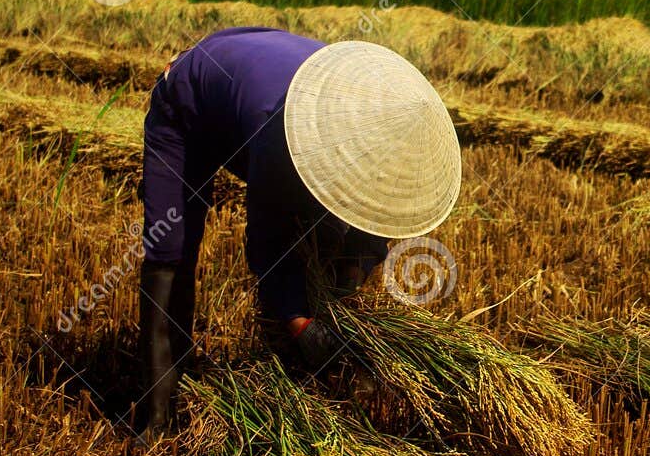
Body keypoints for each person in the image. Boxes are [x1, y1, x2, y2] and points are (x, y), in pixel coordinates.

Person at [135, 29, 462, 434]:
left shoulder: (368, 131)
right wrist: (300, 323)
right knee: (171, 244)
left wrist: (342, 301)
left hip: (249, 87)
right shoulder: (285, 133)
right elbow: (267, 244)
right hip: (190, 102)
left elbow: (370, 229)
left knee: (322, 230)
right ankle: (159, 409)